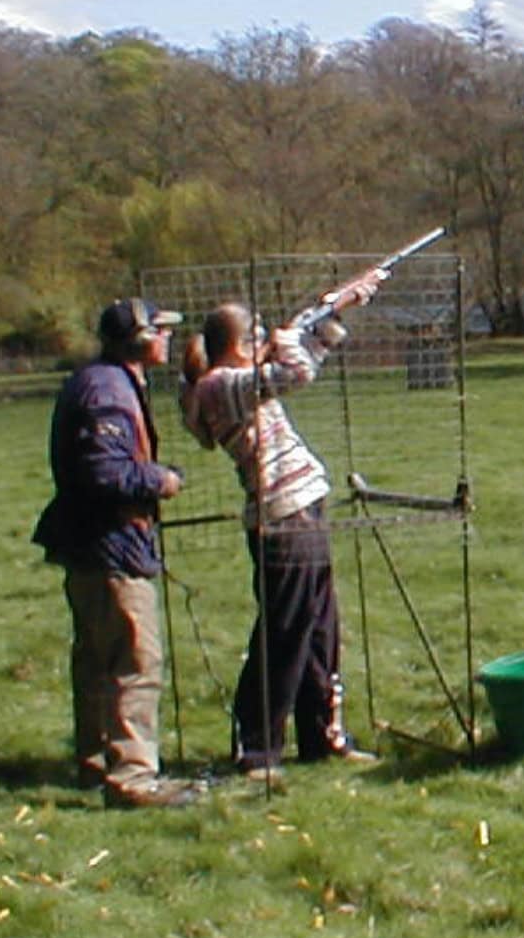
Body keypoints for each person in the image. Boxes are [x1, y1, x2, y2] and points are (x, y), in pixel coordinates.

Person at [179, 272, 385, 778]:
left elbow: (303, 360)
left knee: (319, 631)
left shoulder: (238, 383)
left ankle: (322, 737)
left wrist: (332, 314)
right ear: (238, 345)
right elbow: (296, 373)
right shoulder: (218, 387)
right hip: (282, 519)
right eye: (256, 335)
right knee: (284, 635)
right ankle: (256, 749)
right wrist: (290, 336)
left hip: (302, 512)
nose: (262, 341)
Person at [31, 298, 199, 809]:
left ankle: (97, 760)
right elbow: (104, 472)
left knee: (98, 660)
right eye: (160, 331)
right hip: (110, 542)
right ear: (139, 338)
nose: (167, 338)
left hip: (91, 542)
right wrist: (161, 479)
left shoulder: (104, 381)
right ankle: (133, 778)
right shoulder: (107, 390)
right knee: (135, 660)